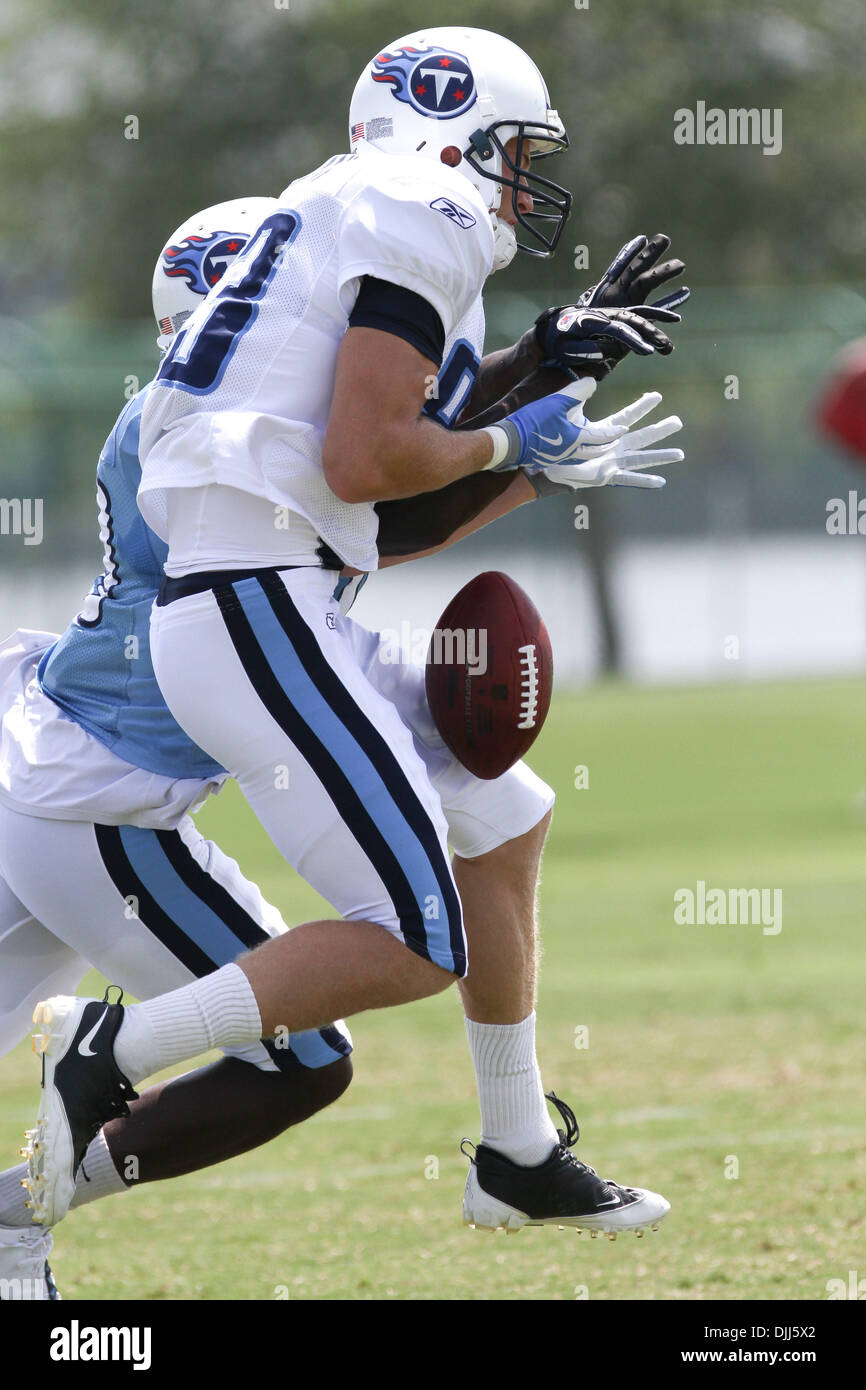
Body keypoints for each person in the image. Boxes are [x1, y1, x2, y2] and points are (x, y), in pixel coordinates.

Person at [24, 25, 688, 1255]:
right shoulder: (419, 209)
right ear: (458, 129)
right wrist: (513, 443)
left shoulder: (344, 210)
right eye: (515, 150)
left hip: (268, 595)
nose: (520, 179)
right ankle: (113, 1046)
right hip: (245, 614)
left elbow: (368, 483)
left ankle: (516, 1148)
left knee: (502, 813)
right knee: (413, 937)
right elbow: (369, 466)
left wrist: (543, 363)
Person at [0, 200, 355, 1300]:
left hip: (51, 767)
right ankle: (12, 1217)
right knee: (302, 1056)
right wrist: (514, 433)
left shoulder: (196, 419)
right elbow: (382, 477)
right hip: (101, 803)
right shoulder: (208, 437)